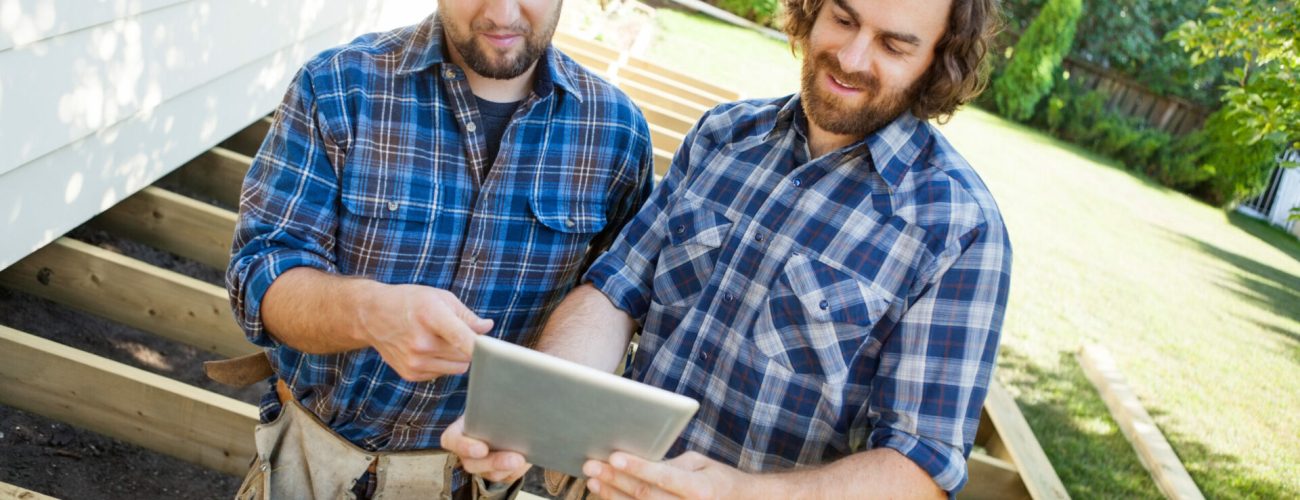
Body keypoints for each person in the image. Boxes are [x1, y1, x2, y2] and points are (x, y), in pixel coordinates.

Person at [443, 0, 1011, 497]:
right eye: (843, 18)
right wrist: (536, 411)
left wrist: (736, 493)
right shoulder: (724, 136)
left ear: (939, 60)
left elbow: (921, 467)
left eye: (893, 44)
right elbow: (615, 292)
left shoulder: (956, 227)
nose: (853, 57)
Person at [221, 0, 654, 496]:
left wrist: (537, 428)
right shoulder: (339, 85)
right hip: (310, 462)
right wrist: (367, 312)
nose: (503, 13)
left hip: (467, 482)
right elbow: (260, 273)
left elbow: (610, 305)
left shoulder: (618, 136)